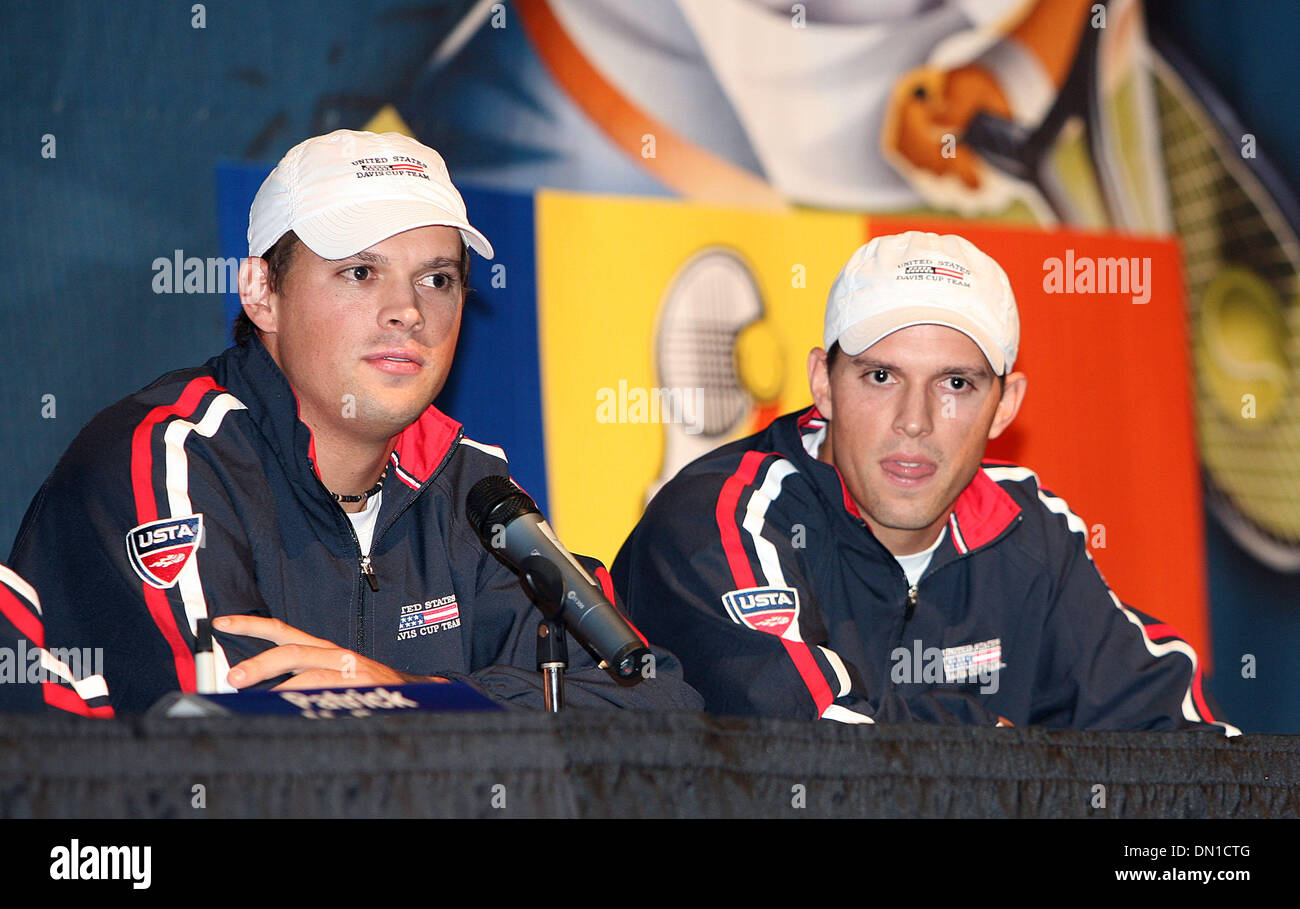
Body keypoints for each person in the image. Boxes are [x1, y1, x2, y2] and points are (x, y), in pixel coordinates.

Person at [7, 129, 701, 715]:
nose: (408, 310)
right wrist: (472, 716)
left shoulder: (471, 488)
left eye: (437, 278)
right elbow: (230, 729)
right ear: (260, 291)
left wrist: (407, 695)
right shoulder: (169, 458)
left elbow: (657, 700)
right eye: (361, 272)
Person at [612, 230, 1237, 733]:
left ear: (1006, 404)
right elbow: (815, 759)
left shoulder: (1026, 529)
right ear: (823, 382)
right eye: (881, 377)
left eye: (956, 384)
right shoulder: (719, 520)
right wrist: (1000, 744)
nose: (914, 421)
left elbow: (1187, 751)